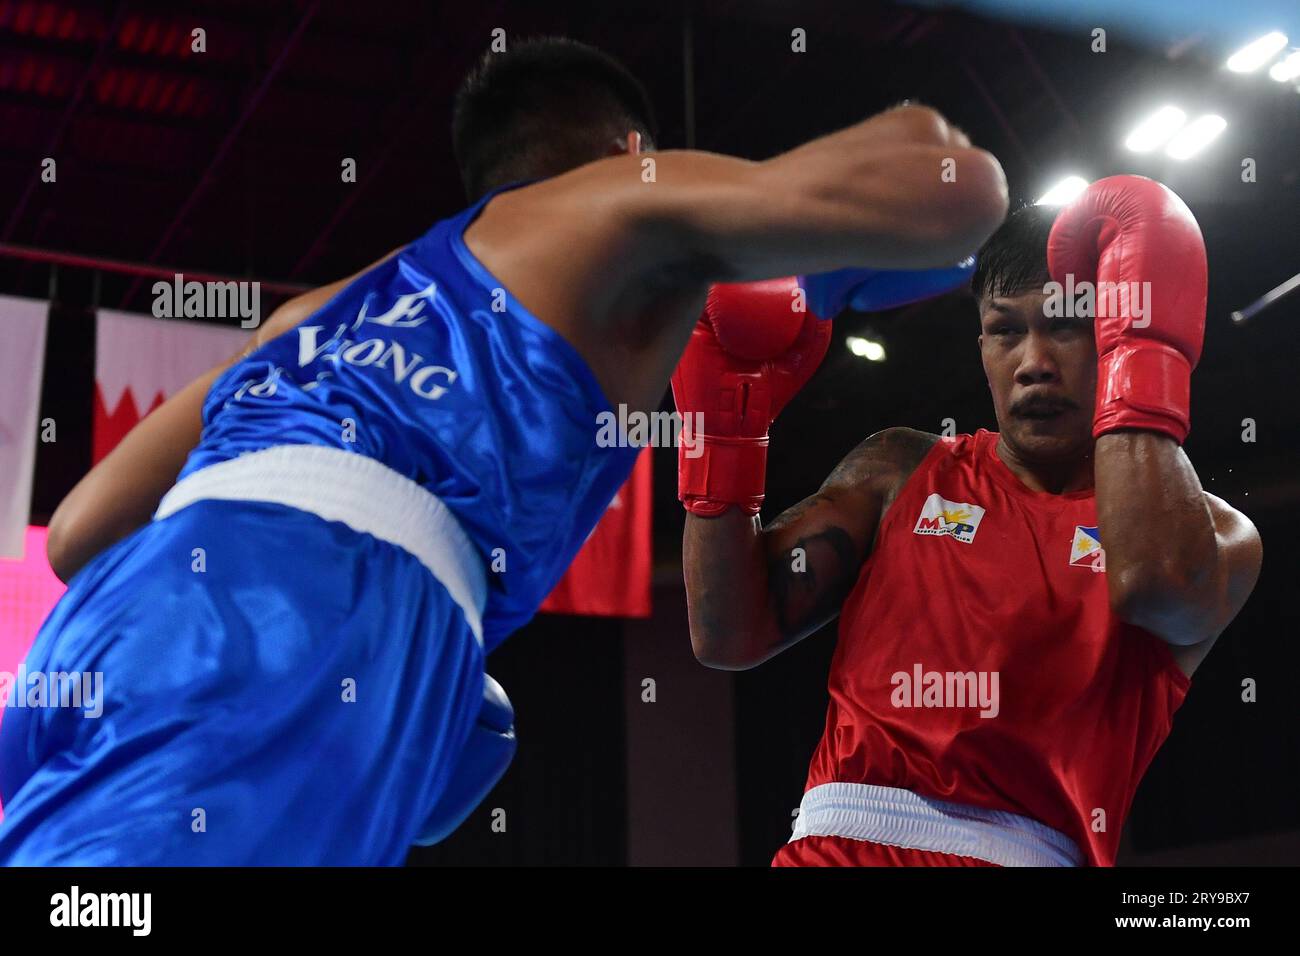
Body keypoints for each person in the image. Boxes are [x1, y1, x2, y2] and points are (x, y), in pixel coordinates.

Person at [0, 37, 1007, 864]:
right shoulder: (623, 204)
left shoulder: (313, 311)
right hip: (308, 614)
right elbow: (958, 192)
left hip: (112, 626)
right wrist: (851, 206)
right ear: (630, 148)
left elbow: (79, 531)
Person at [676, 176, 1263, 867]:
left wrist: (1147, 361)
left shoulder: (1215, 536)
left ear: (1117, 330)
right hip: (831, 847)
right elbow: (728, 632)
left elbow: (1154, 583)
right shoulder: (898, 469)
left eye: (1068, 327)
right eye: (1006, 331)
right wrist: (722, 441)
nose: (1034, 365)